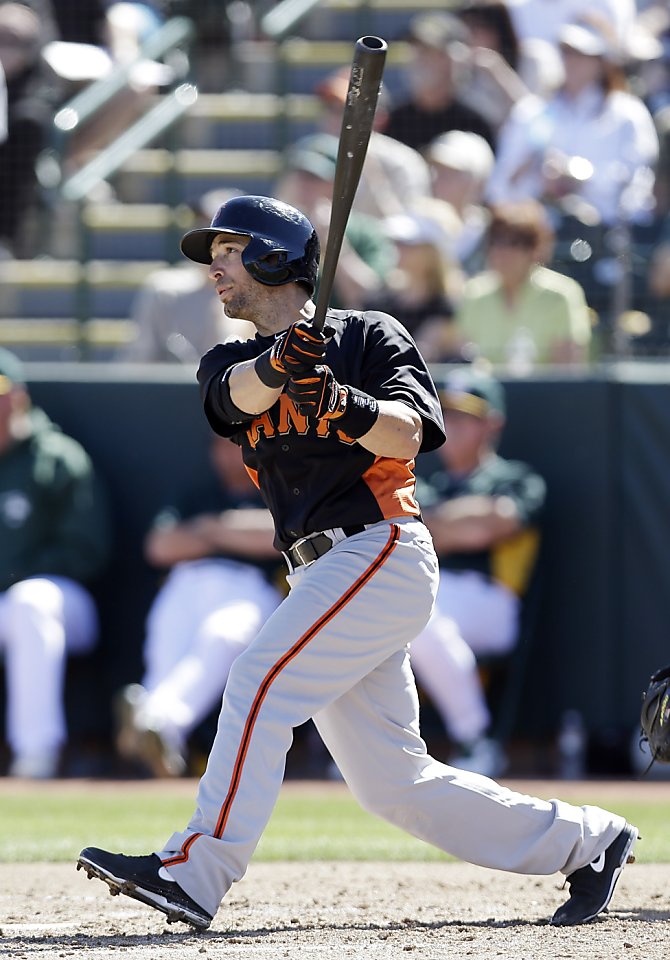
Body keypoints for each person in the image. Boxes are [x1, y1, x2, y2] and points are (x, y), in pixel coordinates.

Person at [77, 193, 637, 932]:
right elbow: (234, 400)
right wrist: (285, 362)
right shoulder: (230, 358)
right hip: (318, 572)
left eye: (230, 252)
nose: (215, 269)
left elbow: (411, 434)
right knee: (393, 784)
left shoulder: (370, 334)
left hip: (379, 549)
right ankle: (587, 842)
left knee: (257, 681)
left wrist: (343, 402)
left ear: (275, 258)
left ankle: (195, 872)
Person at [115, 432, 282, 777]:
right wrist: (235, 534)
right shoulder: (196, 495)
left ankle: (153, 721)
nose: (231, 455)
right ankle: (162, 739)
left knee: (223, 637)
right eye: (223, 447)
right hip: (187, 582)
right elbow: (160, 547)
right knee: (167, 650)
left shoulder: (279, 491)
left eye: (240, 446)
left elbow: (279, 535)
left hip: (250, 586)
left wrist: (210, 528)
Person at [410, 368, 546, 778]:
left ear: (492, 423)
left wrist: (435, 525)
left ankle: (475, 739)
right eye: (447, 415)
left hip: (491, 601)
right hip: (431, 591)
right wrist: (456, 525)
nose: (452, 427)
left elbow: (495, 522)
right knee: (387, 618)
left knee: (419, 618)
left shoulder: (513, 477)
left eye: (465, 417)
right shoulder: (424, 483)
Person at [0, 347, 111, 778]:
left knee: (31, 601)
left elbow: (86, 551)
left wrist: (14, 574)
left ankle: (36, 754)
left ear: (18, 397)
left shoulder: (56, 458)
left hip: (62, 606)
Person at [485, 16, 660, 230]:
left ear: (603, 61)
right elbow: (499, 187)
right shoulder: (533, 112)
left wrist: (576, 175)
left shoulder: (628, 114)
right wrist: (534, 174)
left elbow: (637, 187)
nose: (572, 61)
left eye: (583, 54)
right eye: (566, 51)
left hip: (605, 237)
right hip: (535, 234)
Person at [118, 191, 255, 363]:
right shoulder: (164, 290)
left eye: (225, 240)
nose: (209, 241)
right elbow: (139, 360)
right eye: (202, 225)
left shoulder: (258, 297)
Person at [454, 199, 593, 369]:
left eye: (514, 243)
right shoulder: (473, 293)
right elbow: (464, 358)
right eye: (495, 241)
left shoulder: (562, 294)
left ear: (534, 249)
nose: (502, 252)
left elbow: (567, 369)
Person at [313, 65, 432, 220]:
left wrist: (373, 176)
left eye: (346, 110)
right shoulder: (311, 155)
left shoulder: (402, 162)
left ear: (378, 118)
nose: (332, 118)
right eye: (329, 108)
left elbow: (411, 225)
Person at [384, 11, 496, 152]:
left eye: (429, 51)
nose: (419, 60)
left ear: (454, 59)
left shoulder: (474, 123)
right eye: (415, 50)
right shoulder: (394, 120)